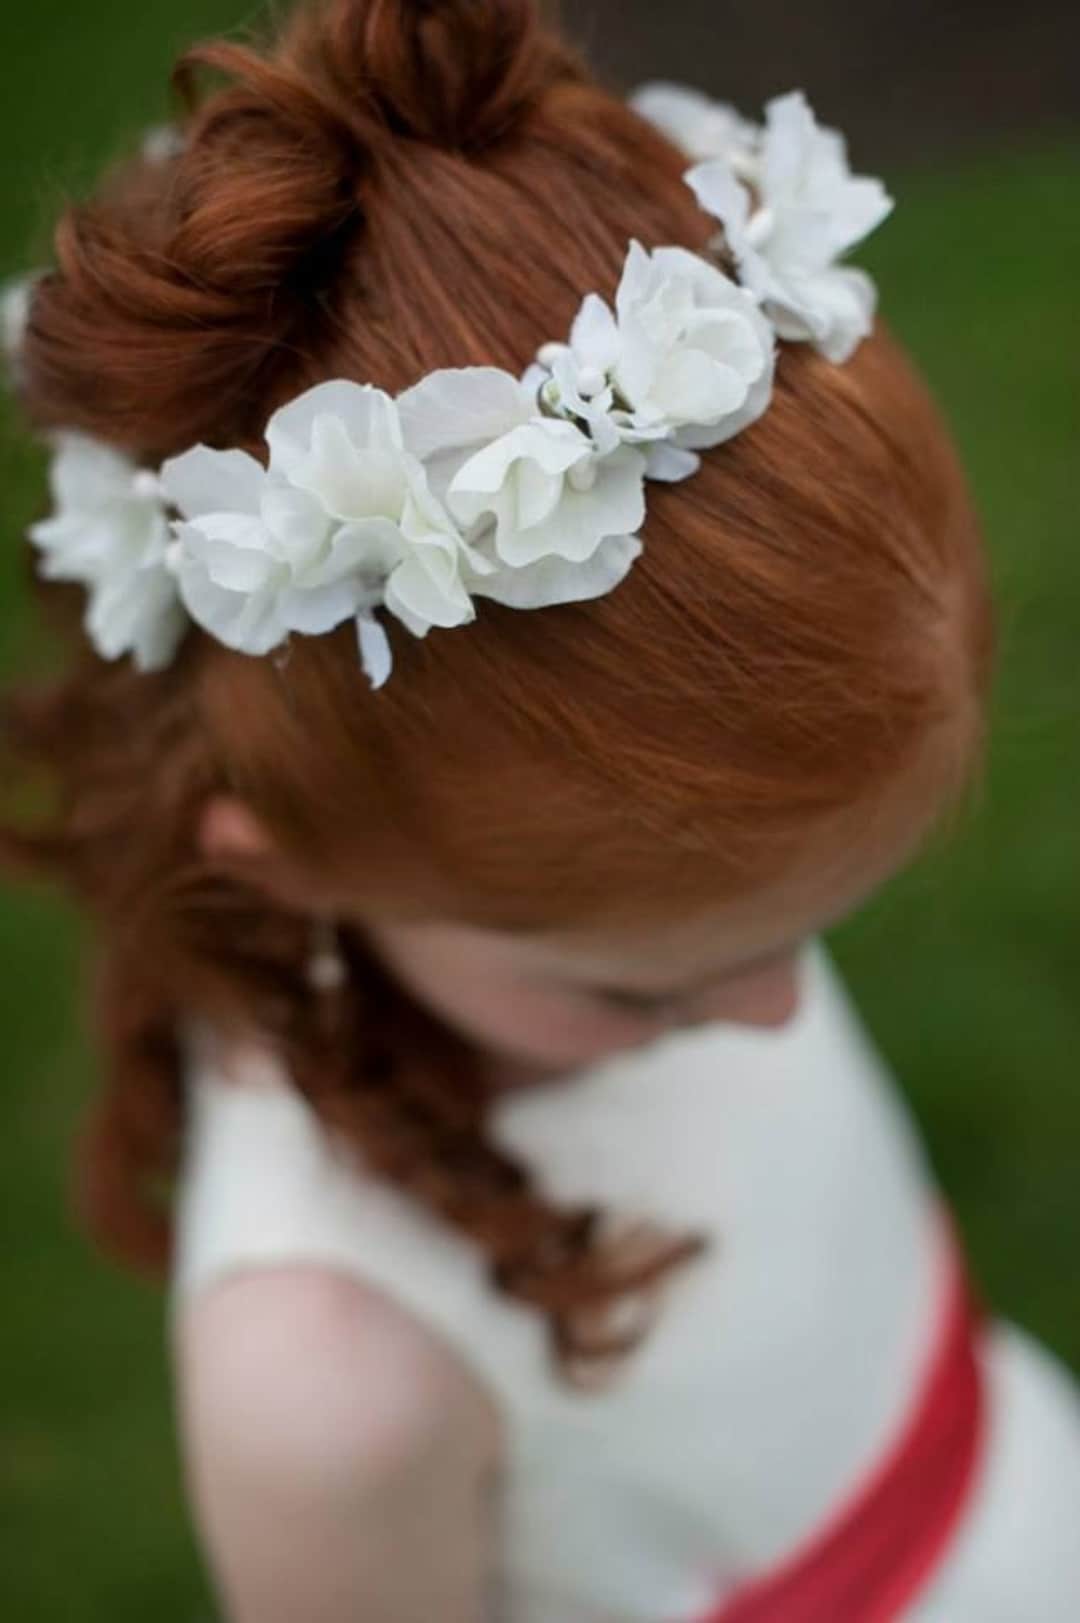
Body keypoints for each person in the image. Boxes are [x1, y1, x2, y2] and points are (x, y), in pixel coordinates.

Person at [3, 1, 1078, 1619]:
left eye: (808, 931)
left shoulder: (656, 880)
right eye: (644, 986)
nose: (778, 1012)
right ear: (292, 870)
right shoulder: (333, 1388)